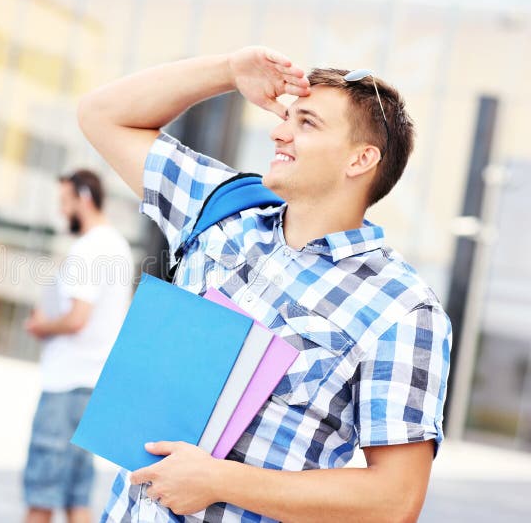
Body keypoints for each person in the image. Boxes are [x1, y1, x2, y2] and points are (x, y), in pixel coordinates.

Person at [77, 46, 451, 522]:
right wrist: (227, 71)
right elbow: (101, 115)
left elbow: (395, 500)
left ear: (360, 159)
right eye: (286, 118)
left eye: (306, 123)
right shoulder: (221, 209)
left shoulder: (402, 308)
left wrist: (219, 481)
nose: (278, 132)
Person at [23, 169, 133, 523]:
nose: (61, 211)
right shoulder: (119, 246)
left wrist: (41, 325)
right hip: (93, 385)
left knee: (41, 496)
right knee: (76, 496)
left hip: (65, 384)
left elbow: (76, 318)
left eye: (65, 202)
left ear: (84, 198)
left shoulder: (88, 248)